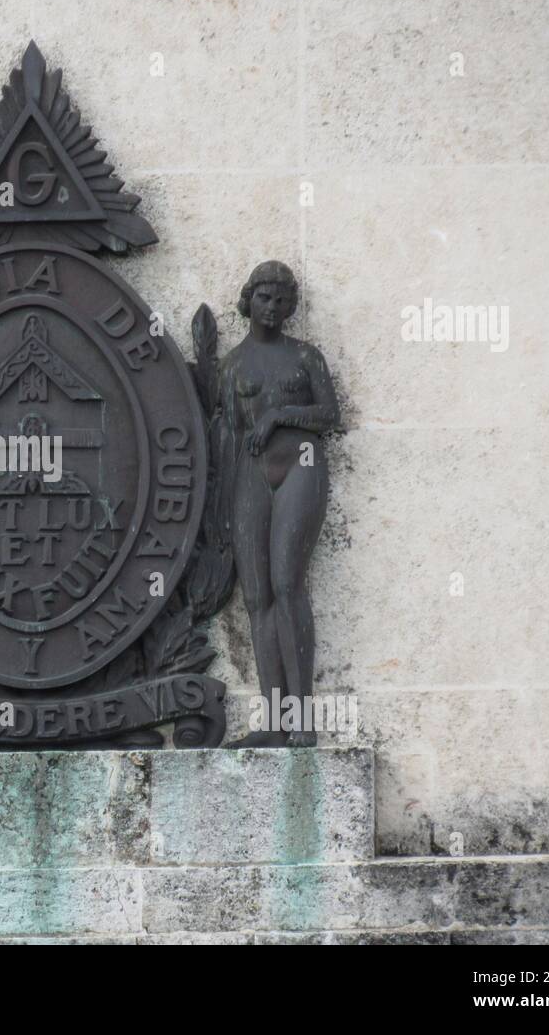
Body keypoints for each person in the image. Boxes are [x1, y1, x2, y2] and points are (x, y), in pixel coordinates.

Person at [219, 261, 339, 748]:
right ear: (250, 300)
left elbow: (330, 415)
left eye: (282, 301)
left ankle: (302, 719)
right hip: (251, 475)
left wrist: (282, 414)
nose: (273, 308)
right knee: (256, 597)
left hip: (300, 466)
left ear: (291, 308)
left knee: (288, 584)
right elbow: (226, 430)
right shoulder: (233, 365)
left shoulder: (305, 357)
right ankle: (272, 720)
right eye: (265, 298)